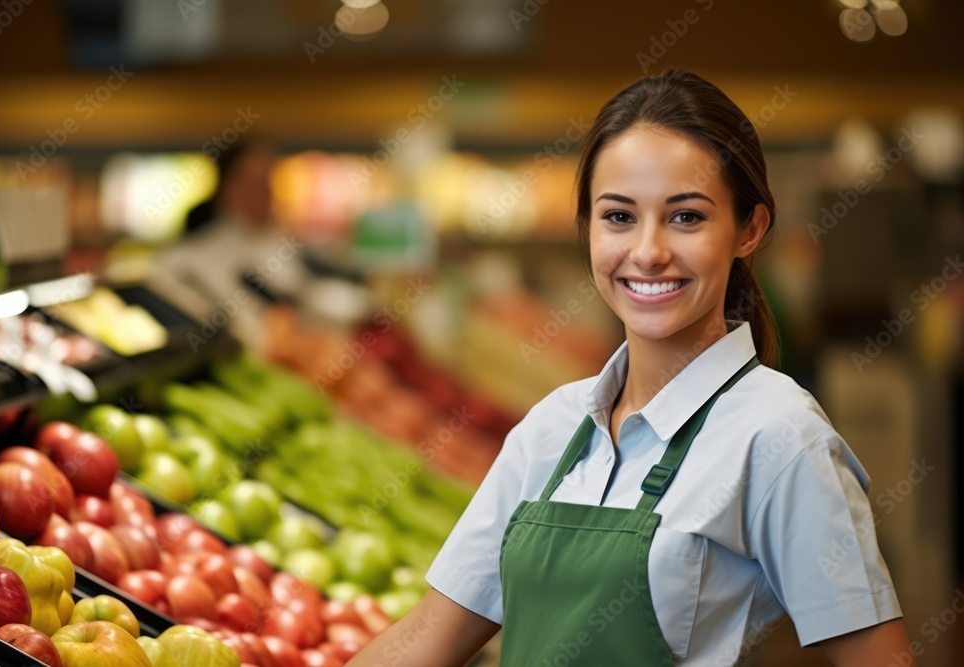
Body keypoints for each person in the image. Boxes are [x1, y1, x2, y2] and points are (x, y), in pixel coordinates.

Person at [348, 70, 912, 666]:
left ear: (749, 229)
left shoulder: (778, 436)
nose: (647, 252)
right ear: (587, 226)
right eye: (618, 216)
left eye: (686, 217)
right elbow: (428, 637)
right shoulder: (551, 429)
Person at [151, 141, 306, 352]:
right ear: (226, 188)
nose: (264, 193)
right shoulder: (190, 257)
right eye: (253, 183)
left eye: (268, 181)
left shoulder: (285, 243)